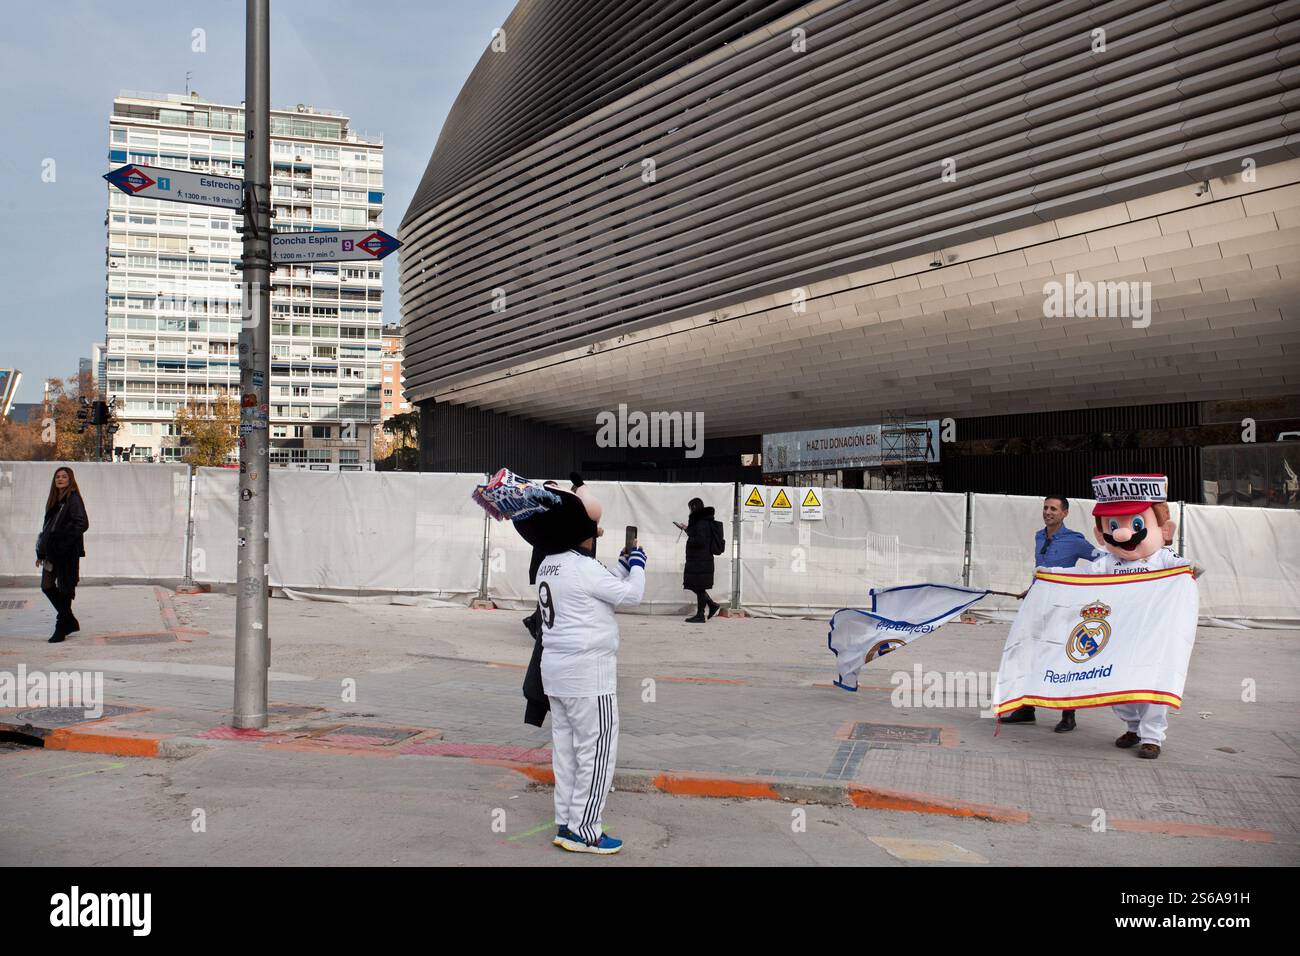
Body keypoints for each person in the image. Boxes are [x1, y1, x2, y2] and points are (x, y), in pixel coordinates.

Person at [479, 470, 643, 853]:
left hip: (557, 673)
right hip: (589, 676)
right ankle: (587, 831)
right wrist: (637, 563)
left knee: (566, 752)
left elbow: (599, 588)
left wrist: (620, 565)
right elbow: (629, 596)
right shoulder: (582, 566)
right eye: (594, 530)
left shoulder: (552, 565)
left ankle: (567, 823)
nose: (596, 535)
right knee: (597, 750)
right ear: (579, 532)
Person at [1002, 495, 1098, 732]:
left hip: (1063, 607)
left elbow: (1100, 561)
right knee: (1029, 653)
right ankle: (1026, 708)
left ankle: (1069, 715)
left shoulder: (1075, 540)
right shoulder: (1039, 536)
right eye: (1045, 508)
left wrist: (1083, 585)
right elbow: (1041, 572)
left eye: (1053, 509)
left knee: (1065, 656)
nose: (1048, 512)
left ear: (1064, 513)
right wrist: (1031, 590)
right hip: (1038, 604)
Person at [35, 466, 89, 644]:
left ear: (70, 479)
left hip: (66, 552)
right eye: (57, 476)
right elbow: (47, 528)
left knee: (65, 588)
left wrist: (63, 542)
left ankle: (61, 626)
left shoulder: (73, 498)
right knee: (47, 586)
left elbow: (82, 523)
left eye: (64, 476)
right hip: (51, 553)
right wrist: (41, 551)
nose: (60, 479)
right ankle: (69, 620)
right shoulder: (54, 501)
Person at [675, 497, 724, 623]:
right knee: (697, 586)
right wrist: (686, 529)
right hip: (701, 559)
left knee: (698, 587)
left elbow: (700, 540)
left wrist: (689, 540)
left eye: (690, 508)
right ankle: (710, 606)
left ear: (694, 507)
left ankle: (702, 614)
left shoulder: (701, 522)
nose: (690, 511)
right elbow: (698, 535)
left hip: (700, 560)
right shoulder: (702, 521)